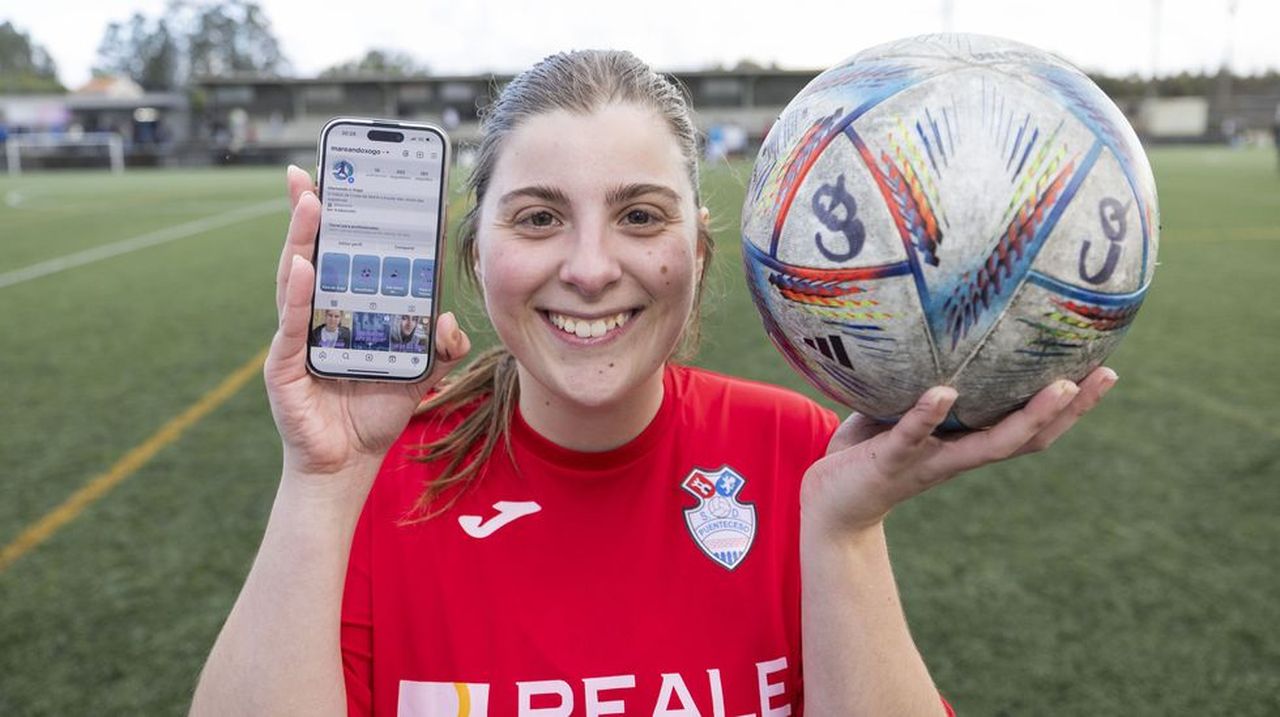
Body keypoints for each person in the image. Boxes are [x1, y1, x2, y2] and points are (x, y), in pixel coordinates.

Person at [191, 50, 1116, 716]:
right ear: (477, 256)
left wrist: (844, 532)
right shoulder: (373, 487)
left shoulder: (802, 458)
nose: (592, 268)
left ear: (698, 251)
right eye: (539, 217)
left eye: (640, 215)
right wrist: (322, 480)